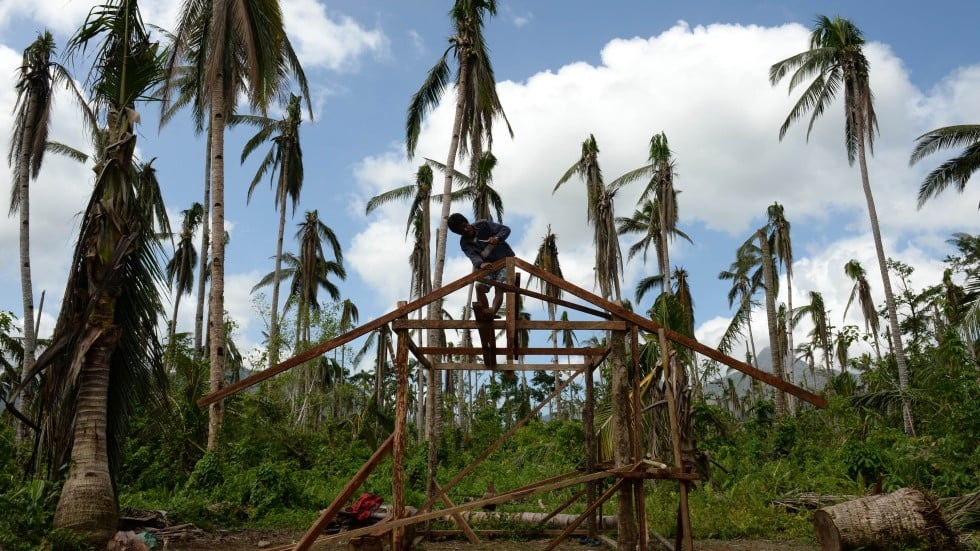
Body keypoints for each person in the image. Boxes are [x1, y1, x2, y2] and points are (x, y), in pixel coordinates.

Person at [447, 213, 515, 317]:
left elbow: (506, 230)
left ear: (467, 222)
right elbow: (473, 256)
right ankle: (485, 312)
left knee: (499, 287)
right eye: (461, 231)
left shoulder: (483, 224)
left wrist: (497, 238)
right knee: (479, 287)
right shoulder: (465, 243)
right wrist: (481, 264)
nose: (465, 230)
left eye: (465, 226)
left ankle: (492, 312)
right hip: (489, 265)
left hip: (504, 260)